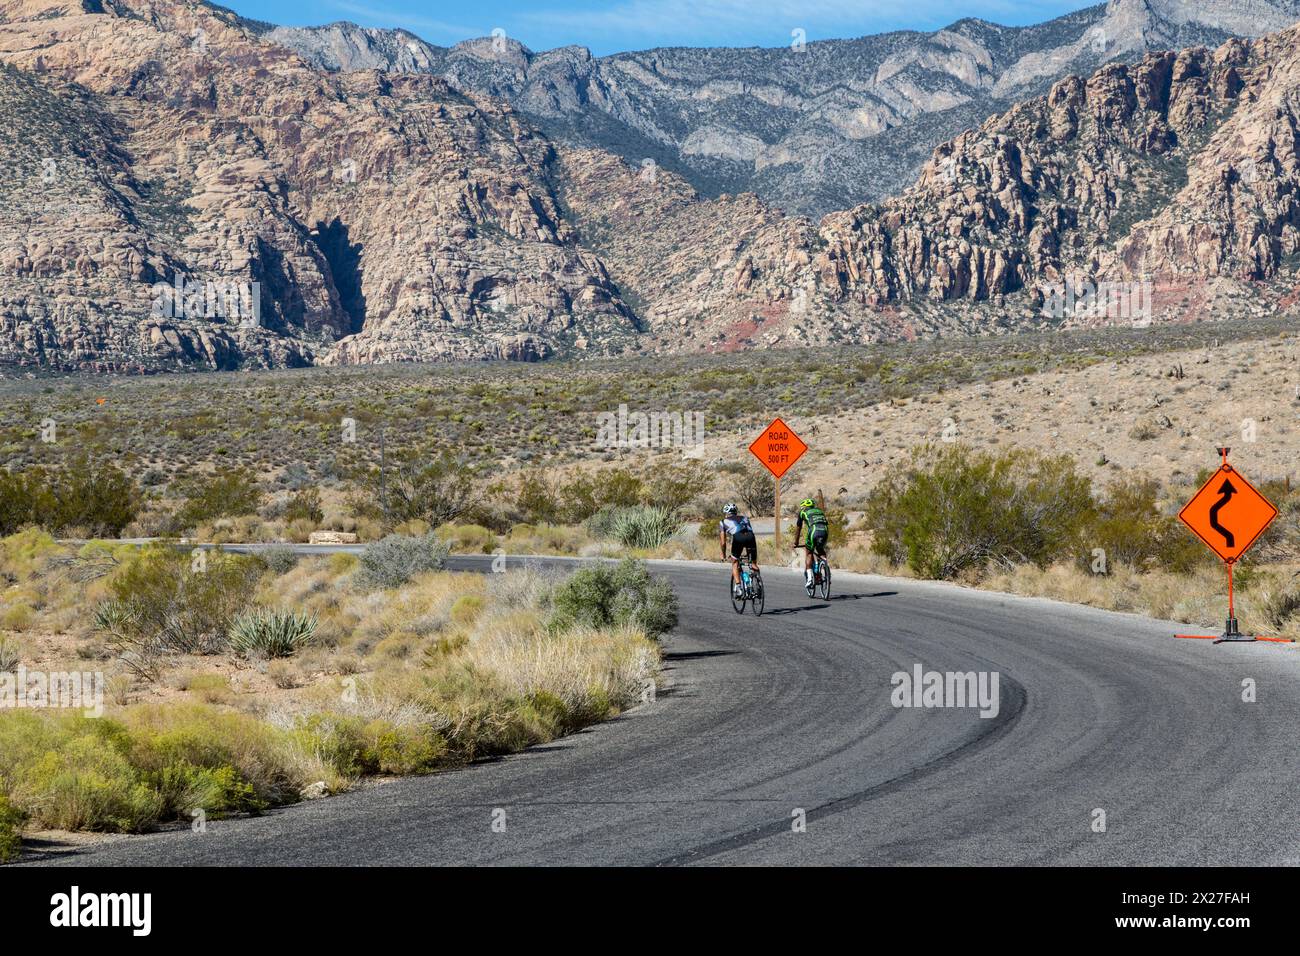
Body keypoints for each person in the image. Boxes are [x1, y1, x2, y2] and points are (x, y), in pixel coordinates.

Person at [719, 503, 758, 597]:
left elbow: (723, 542)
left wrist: (723, 554)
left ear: (726, 513)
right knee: (753, 563)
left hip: (738, 538)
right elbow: (749, 531)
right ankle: (756, 584)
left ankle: (739, 588)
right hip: (751, 537)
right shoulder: (745, 518)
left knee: (735, 561)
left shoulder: (723, 521)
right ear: (735, 512)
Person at [793, 497, 829, 590]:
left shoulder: (803, 512)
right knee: (820, 550)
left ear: (804, 506)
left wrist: (796, 542)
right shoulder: (819, 511)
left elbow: (798, 529)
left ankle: (809, 579)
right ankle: (825, 567)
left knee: (809, 553)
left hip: (814, 531)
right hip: (824, 531)